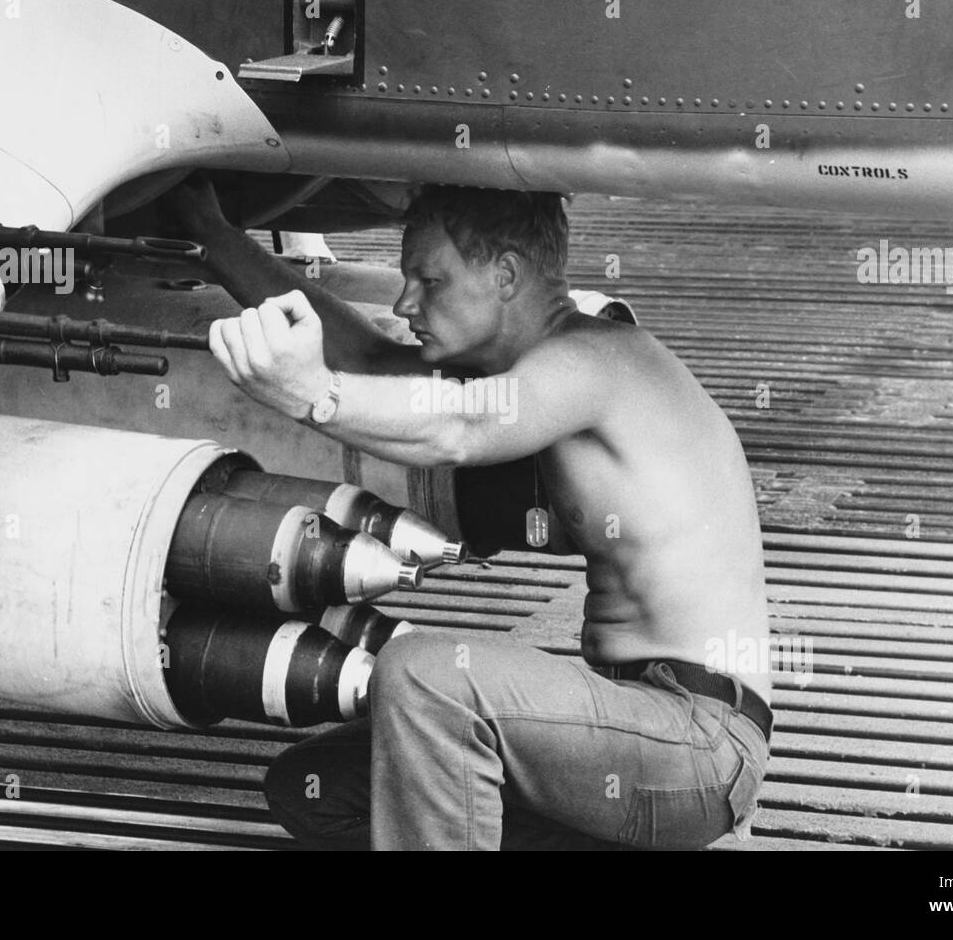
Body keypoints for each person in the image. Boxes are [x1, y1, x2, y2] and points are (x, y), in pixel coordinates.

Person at [171, 178, 773, 850]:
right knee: (320, 784)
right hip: (630, 733)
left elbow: (457, 428)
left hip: (694, 738)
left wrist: (315, 395)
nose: (405, 302)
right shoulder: (545, 365)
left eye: (430, 280)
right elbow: (369, 357)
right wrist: (215, 235)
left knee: (425, 677)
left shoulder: (593, 361)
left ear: (506, 274)